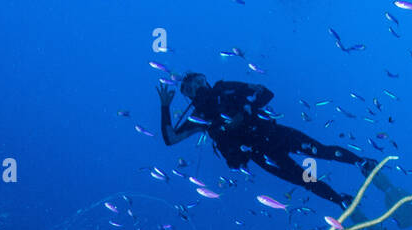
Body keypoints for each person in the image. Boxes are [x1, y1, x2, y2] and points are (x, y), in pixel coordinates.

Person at [159, 72, 379, 208]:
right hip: (259, 154)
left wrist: (245, 112)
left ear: (205, 79)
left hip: (274, 134)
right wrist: (165, 106)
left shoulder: (226, 89)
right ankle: (340, 200)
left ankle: (361, 162)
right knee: (304, 180)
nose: (196, 88)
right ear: (187, 96)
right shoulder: (199, 117)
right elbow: (171, 138)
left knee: (319, 150)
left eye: (198, 81)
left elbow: (266, 93)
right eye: (190, 88)